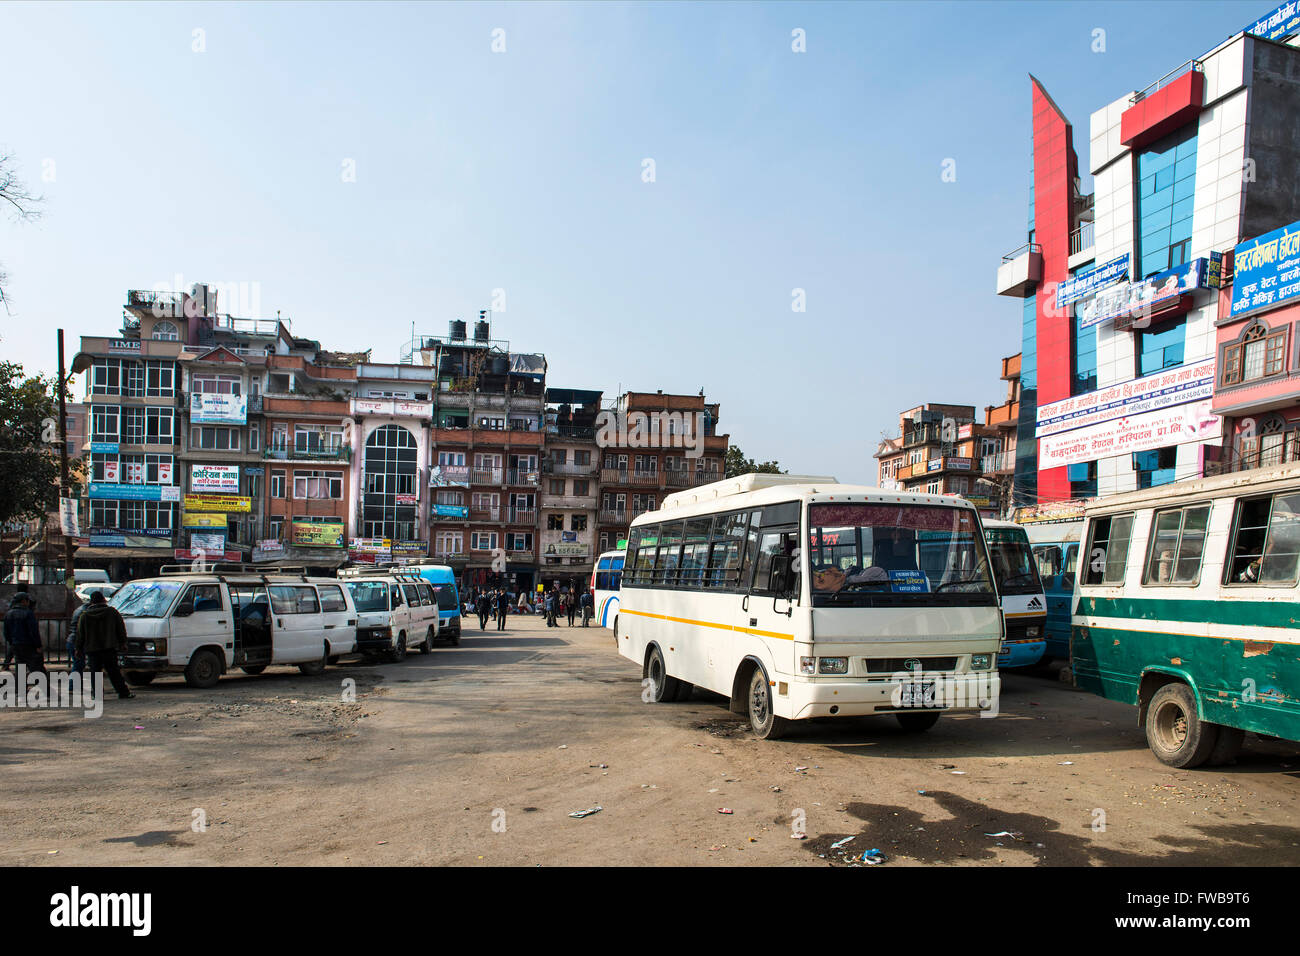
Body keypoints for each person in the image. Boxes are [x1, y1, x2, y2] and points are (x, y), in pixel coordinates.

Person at [75, 590, 133, 699]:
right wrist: (123, 643)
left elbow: (80, 635)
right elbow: (120, 629)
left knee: (95, 672)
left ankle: (97, 695)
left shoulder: (85, 616)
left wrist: (78, 648)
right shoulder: (112, 612)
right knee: (114, 671)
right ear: (103, 599)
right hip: (109, 647)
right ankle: (123, 692)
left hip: (92, 649)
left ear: (91, 602)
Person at [3, 592, 45, 674]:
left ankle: (20, 686)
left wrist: (12, 642)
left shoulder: (8, 614)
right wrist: (38, 645)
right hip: (29, 645)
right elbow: (33, 631)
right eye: (27, 600)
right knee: (36, 668)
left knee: (20, 668)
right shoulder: (28, 613)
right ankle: (43, 685)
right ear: (23, 601)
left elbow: (6, 632)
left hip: (16, 645)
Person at [67, 596, 89, 674]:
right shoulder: (86, 612)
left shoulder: (79, 609)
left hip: (72, 640)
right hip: (75, 641)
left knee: (78, 665)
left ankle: (74, 685)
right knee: (78, 665)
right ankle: (73, 685)